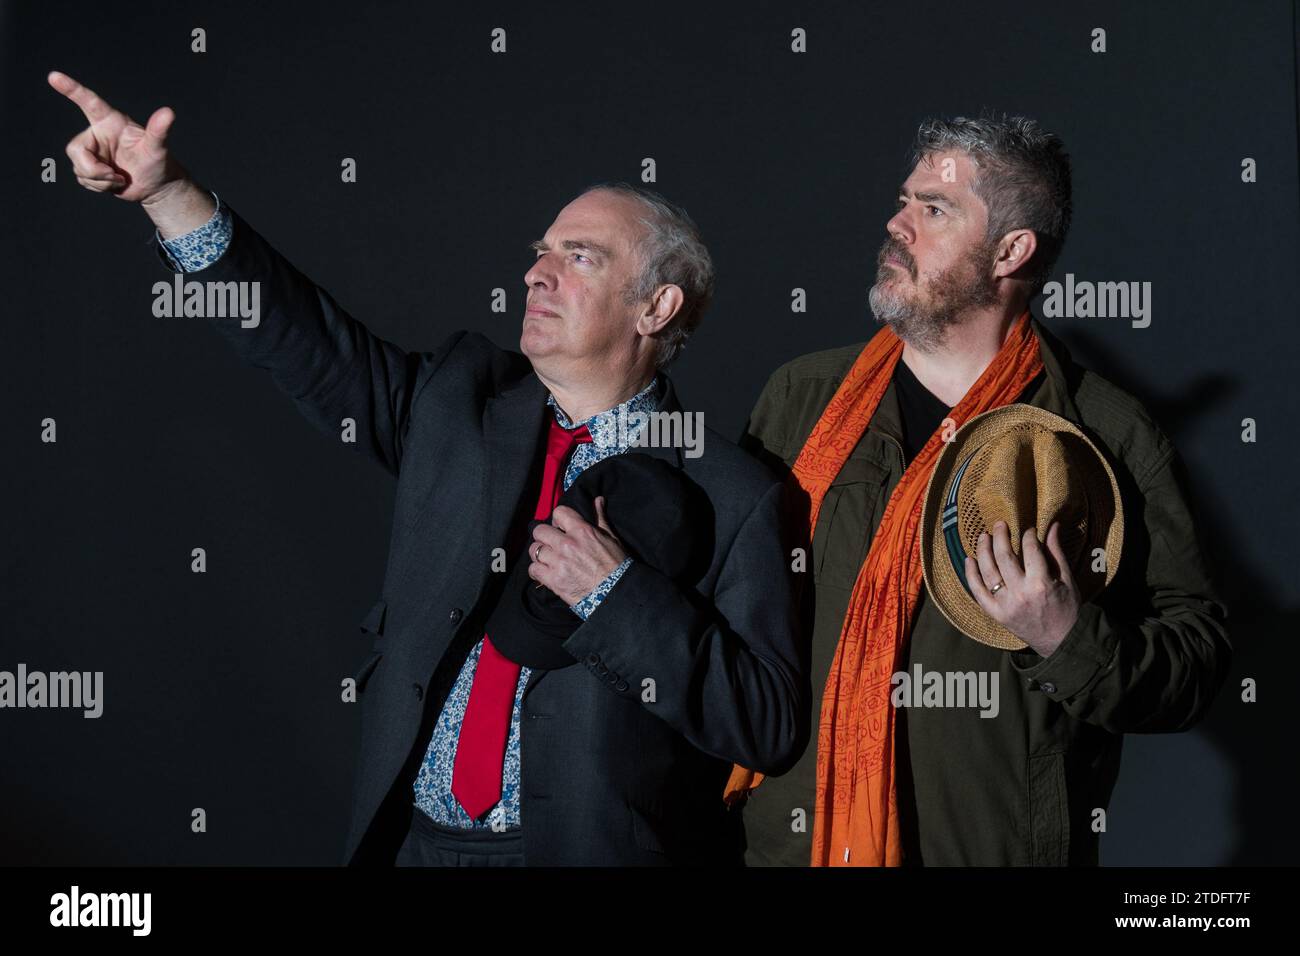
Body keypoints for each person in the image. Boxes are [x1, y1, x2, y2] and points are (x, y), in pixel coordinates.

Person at [49, 70, 809, 866]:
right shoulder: (458, 403)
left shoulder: (735, 494)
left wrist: (616, 596)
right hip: (415, 848)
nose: (535, 274)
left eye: (578, 257)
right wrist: (168, 193)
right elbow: (300, 337)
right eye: (539, 253)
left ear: (657, 307)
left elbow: (765, 721)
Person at [731, 114, 1231, 866]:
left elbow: (1194, 664)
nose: (896, 222)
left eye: (934, 208)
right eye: (905, 199)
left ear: (1011, 250)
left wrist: (1068, 640)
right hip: (789, 848)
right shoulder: (800, 400)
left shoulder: (1105, 435)